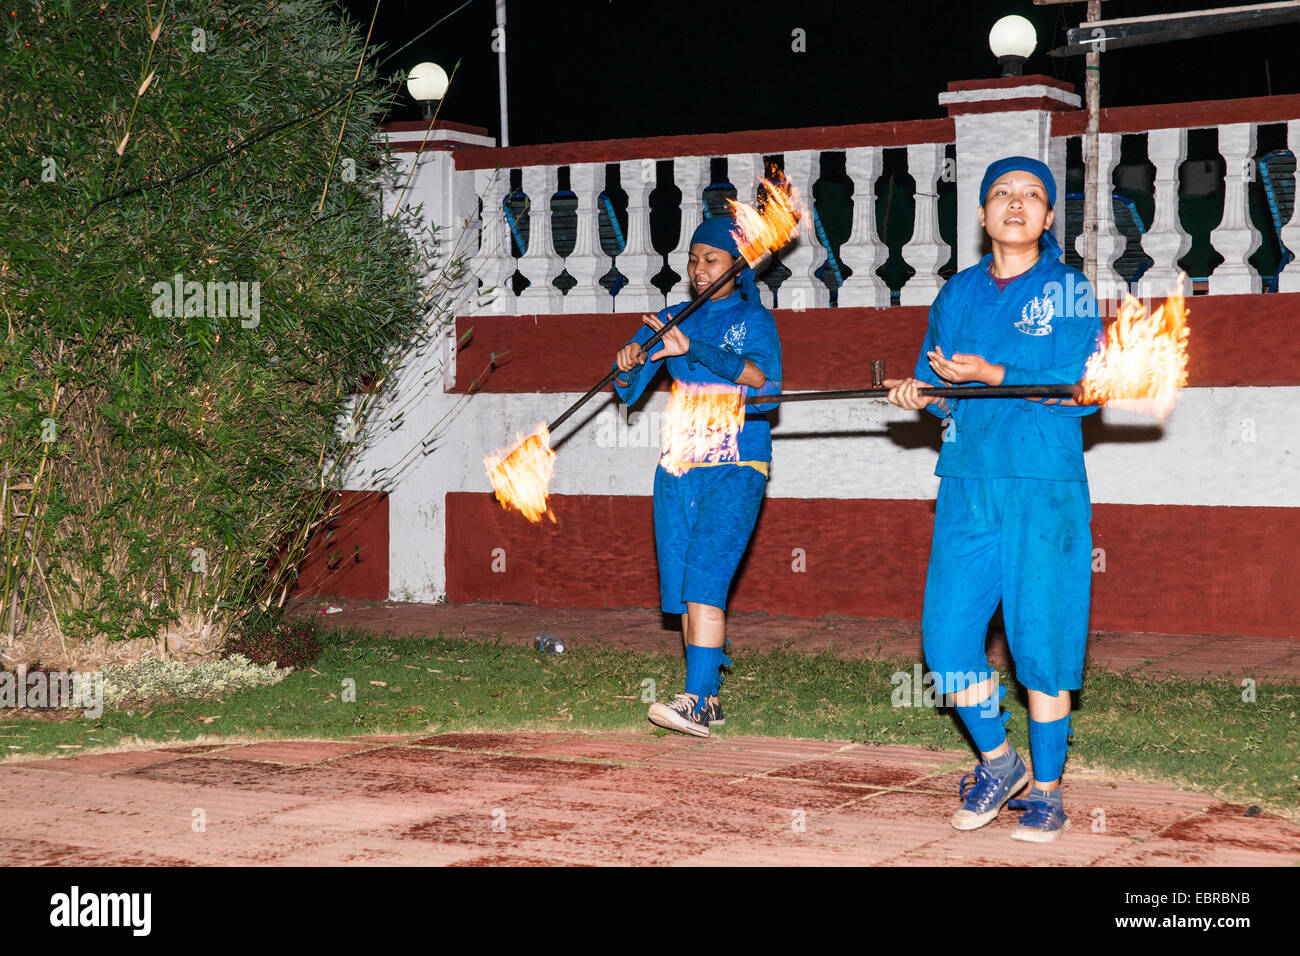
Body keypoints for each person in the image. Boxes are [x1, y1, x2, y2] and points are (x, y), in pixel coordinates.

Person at [885, 156, 1102, 842]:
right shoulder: (955, 296)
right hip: (968, 481)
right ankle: (998, 761)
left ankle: (1047, 790)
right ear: (980, 216)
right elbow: (940, 384)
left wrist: (995, 372)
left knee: (1041, 643)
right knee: (946, 640)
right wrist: (919, 392)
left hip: (1043, 485)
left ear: (1047, 217)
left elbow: (1082, 386)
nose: (1016, 203)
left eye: (1032, 194)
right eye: (1001, 193)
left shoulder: (1069, 290)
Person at [611, 216, 782, 737]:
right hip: (678, 466)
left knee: (706, 576)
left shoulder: (755, 321)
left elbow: (768, 389)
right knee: (686, 588)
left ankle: (699, 699)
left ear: (737, 264)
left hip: (736, 464)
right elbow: (626, 391)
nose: (699, 269)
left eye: (711, 259)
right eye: (693, 259)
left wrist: (696, 350)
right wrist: (628, 360)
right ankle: (705, 695)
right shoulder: (666, 318)